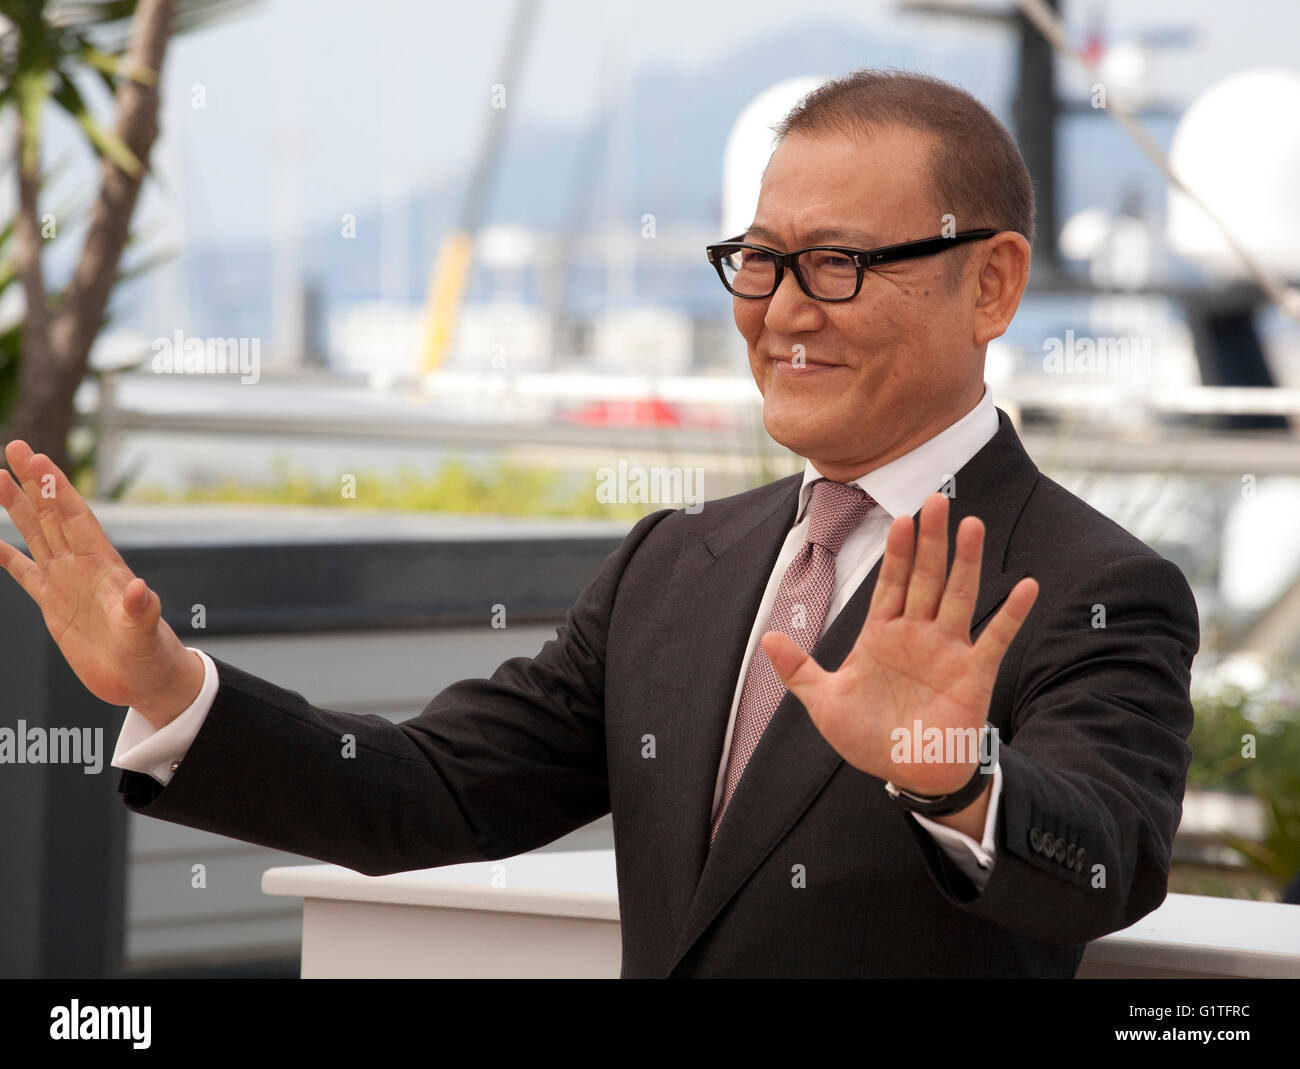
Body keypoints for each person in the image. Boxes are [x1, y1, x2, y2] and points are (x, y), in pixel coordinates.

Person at [0, 69, 1198, 978]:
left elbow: (1105, 863)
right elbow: (427, 788)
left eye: (836, 264)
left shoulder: (1097, 581)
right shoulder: (675, 567)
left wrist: (950, 773)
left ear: (990, 283)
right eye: (759, 261)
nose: (782, 310)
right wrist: (171, 688)